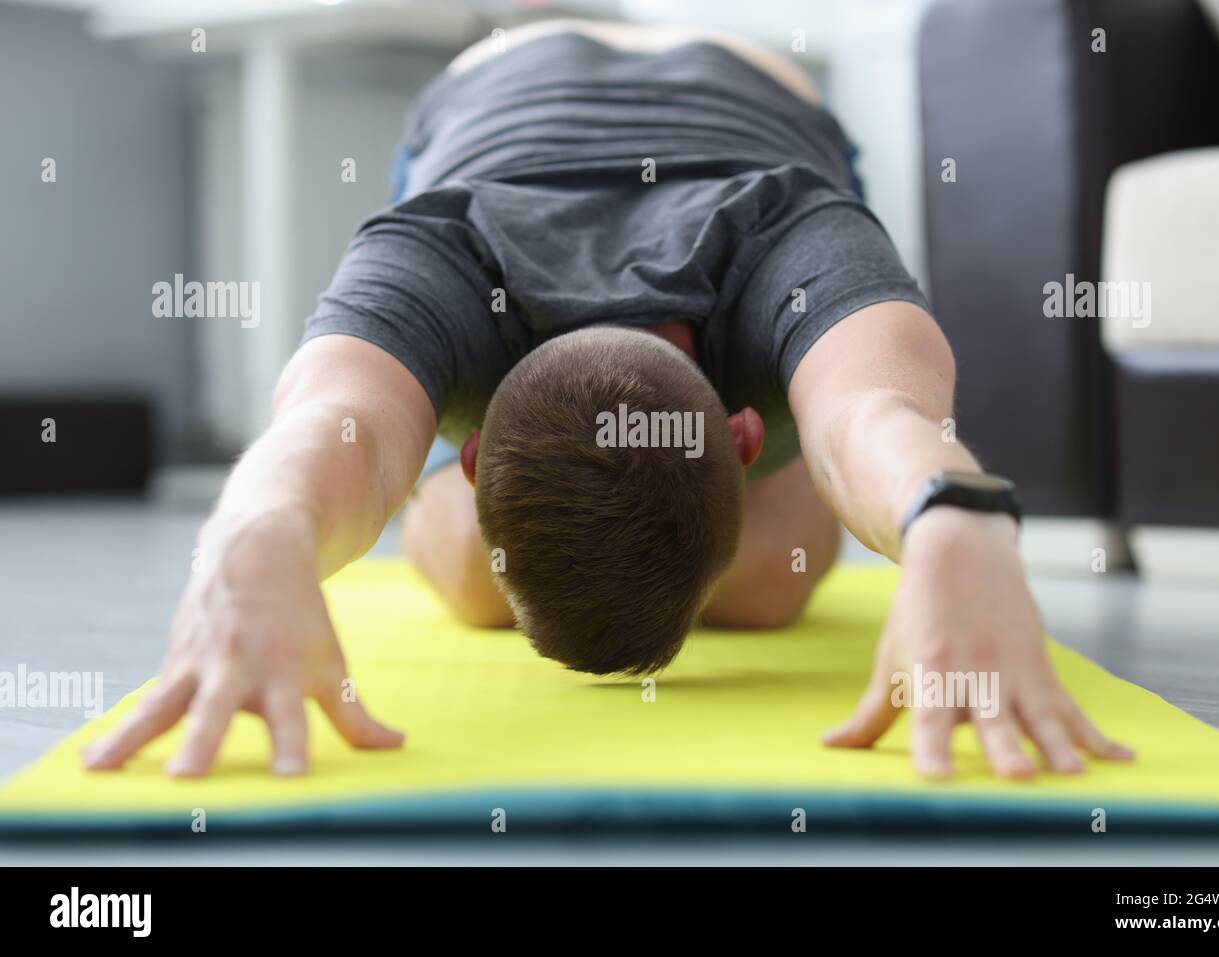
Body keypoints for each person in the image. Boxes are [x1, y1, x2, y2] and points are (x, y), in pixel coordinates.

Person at [82, 19, 1133, 781]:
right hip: (500, 89)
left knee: (759, 585)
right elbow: (326, 432)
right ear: (742, 433)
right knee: (552, 571)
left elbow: (875, 422)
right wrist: (258, 538)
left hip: (746, 94)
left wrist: (954, 529)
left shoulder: (793, 229)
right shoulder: (436, 249)